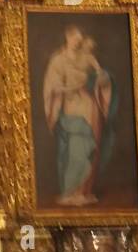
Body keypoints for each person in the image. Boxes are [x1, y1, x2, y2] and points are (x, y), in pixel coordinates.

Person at [42, 26, 115, 206]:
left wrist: (101, 78)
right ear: (67, 37)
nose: (78, 42)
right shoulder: (58, 61)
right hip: (71, 108)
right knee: (76, 151)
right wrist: (70, 89)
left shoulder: (86, 58)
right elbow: (52, 87)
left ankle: (84, 192)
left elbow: (101, 80)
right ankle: (69, 193)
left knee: (91, 150)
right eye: (75, 39)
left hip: (90, 108)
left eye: (80, 39)